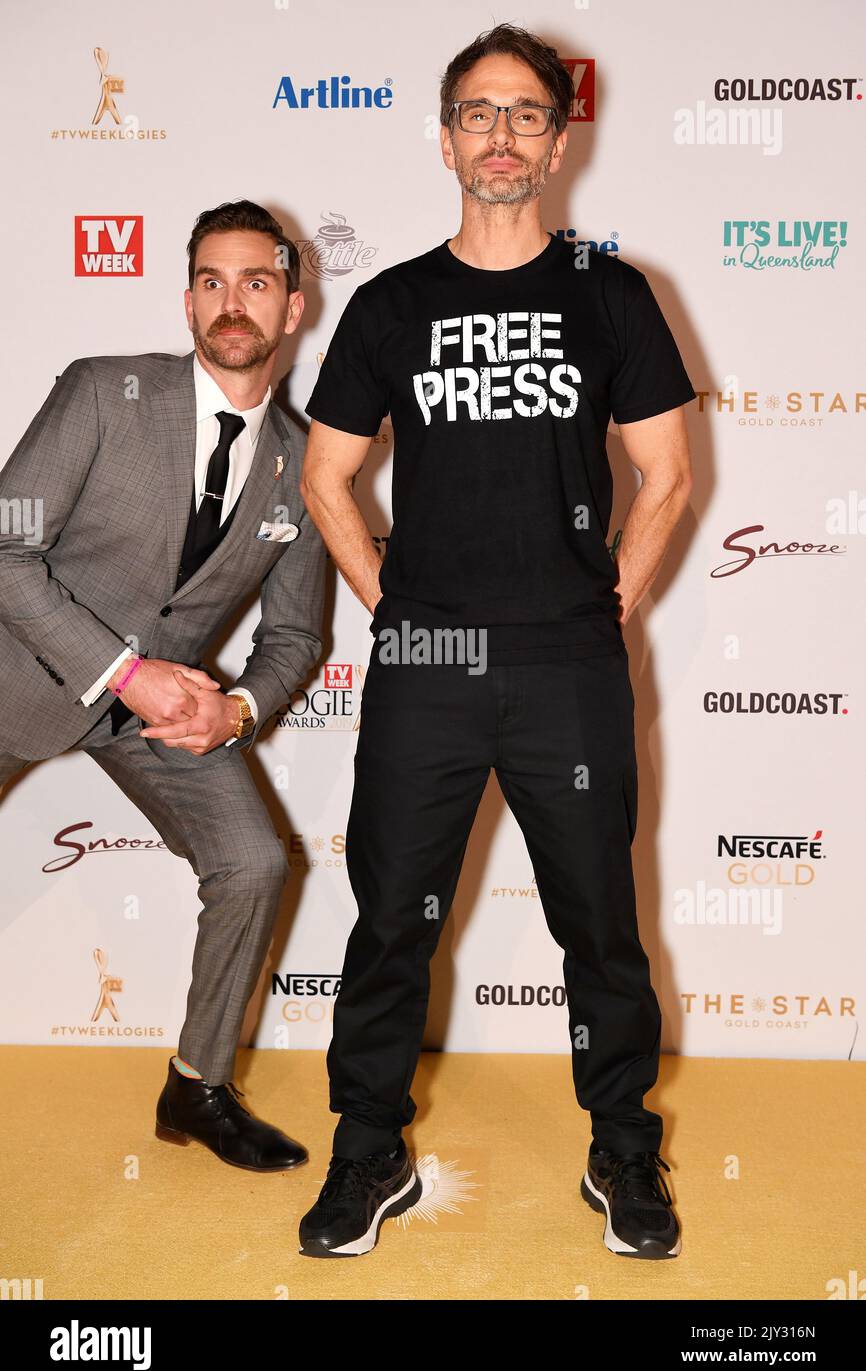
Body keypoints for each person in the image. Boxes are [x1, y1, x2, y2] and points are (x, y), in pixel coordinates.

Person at [298, 22, 696, 1259]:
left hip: (564, 663)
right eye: (478, 113)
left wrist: (611, 600)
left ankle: (622, 1148)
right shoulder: (394, 303)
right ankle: (368, 1153)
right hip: (428, 665)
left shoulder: (609, 292)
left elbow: (665, 473)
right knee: (387, 924)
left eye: (526, 113)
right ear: (445, 138)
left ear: (558, 140)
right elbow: (325, 477)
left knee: (598, 921)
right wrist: (392, 608)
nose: (502, 135)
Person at [0, 199, 326, 1173]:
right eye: (214, 282)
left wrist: (237, 707)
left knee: (255, 862)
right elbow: (7, 548)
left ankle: (197, 1086)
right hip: (19, 667)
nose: (234, 303)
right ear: (187, 300)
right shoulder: (103, 393)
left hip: (154, 708)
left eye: (257, 283)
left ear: (293, 307)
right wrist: (128, 674)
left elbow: (297, 635)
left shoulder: (305, 464)